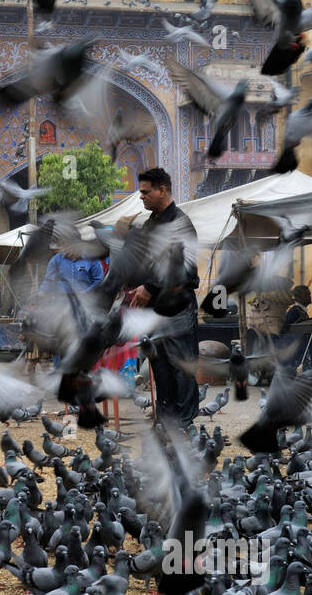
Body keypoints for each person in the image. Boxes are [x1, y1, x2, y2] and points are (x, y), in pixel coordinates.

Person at [114, 166, 200, 428]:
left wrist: (150, 287)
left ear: (162, 190)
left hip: (177, 310)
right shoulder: (149, 225)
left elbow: (185, 271)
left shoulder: (181, 224)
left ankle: (185, 425)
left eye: (145, 192)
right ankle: (166, 424)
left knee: (180, 369)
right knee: (160, 369)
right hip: (152, 312)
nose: (141, 197)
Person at [40, 249, 104, 298]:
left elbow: (99, 280)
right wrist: (42, 292)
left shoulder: (92, 259)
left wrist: (87, 292)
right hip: (62, 298)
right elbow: (49, 279)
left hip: (85, 298)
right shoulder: (56, 259)